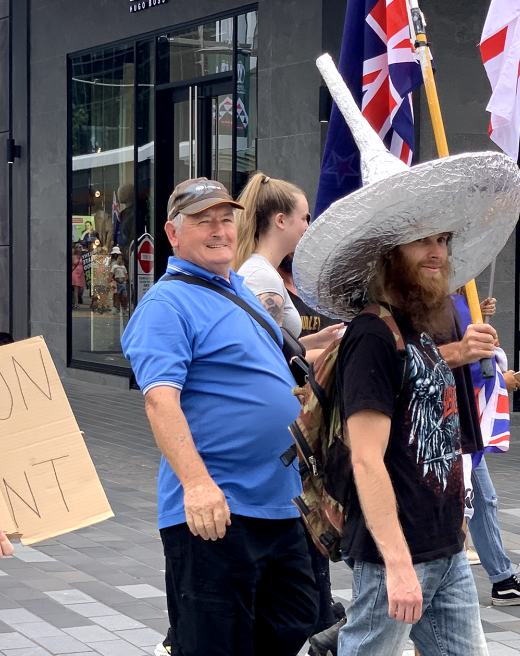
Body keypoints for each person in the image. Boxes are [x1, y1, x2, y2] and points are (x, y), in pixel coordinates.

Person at [122, 177, 319, 656]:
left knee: (300, 623)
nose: (219, 230)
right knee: (216, 645)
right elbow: (160, 400)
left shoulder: (237, 288)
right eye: (203, 221)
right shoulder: (166, 305)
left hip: (282, 505)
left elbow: (267, 366)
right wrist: (196, 485)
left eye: (226, 219)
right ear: (173, 233)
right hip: (217, 513)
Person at [335, 235, 495, 656]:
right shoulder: (371, 335)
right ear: (390, 253)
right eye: (421, 242)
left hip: (446, 547)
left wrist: (457, 526)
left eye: (442, 241)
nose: (437, 253)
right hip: (397, 553)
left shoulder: (423, 328)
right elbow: (366, 460)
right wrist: (398, 564)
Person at [451, 293, 520, 606]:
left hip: (460, 419)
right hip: (454, 420)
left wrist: (479, 314)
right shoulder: (442, 303)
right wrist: (496, 379)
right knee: (471, 502)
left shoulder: (454, 299)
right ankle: (488, 580)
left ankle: (501, 579)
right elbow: (461, 362)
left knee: (481, 500)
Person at [233, 172, 342, 362]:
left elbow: (274, 344)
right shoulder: (263, 277)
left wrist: (317, 340)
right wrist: (334, 355)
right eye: (304, 219)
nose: (308, 228)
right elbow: (268, 358)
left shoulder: (259, 270)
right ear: (281, 221)